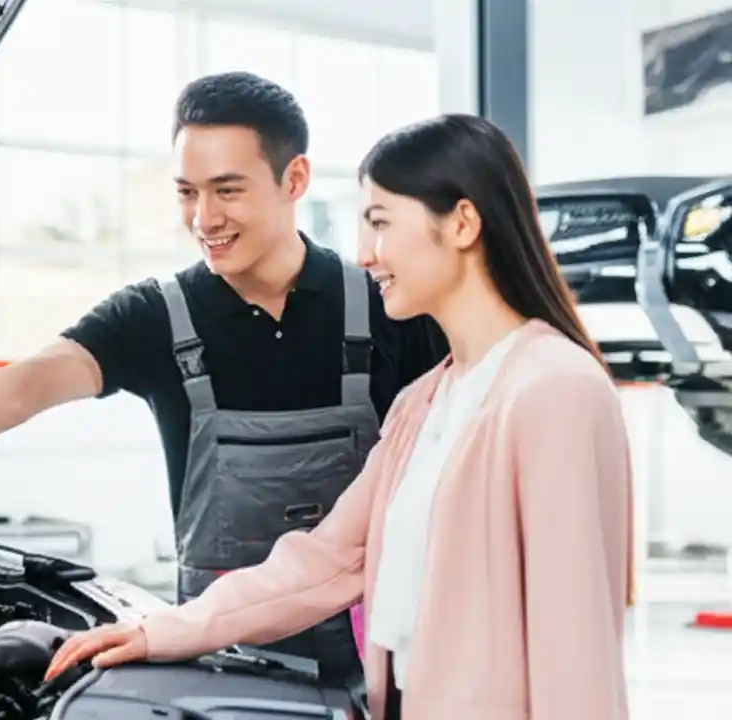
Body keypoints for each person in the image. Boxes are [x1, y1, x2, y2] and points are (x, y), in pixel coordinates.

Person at [0, 71, 447, 686]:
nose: (204, 219)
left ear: (294, 178)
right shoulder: (156, 317)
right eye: (186, 192)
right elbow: (27, 383)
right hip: (214, 653)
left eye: (227, 190)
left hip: (382, 655)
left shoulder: (385, 303)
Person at [42, 114, 634, 720]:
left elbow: (575, 651)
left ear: (460, 223)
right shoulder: (425, 400)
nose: (363, 253)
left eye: (380, 223)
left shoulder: (554, 389)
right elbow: (326, 559)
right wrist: (162, 631)